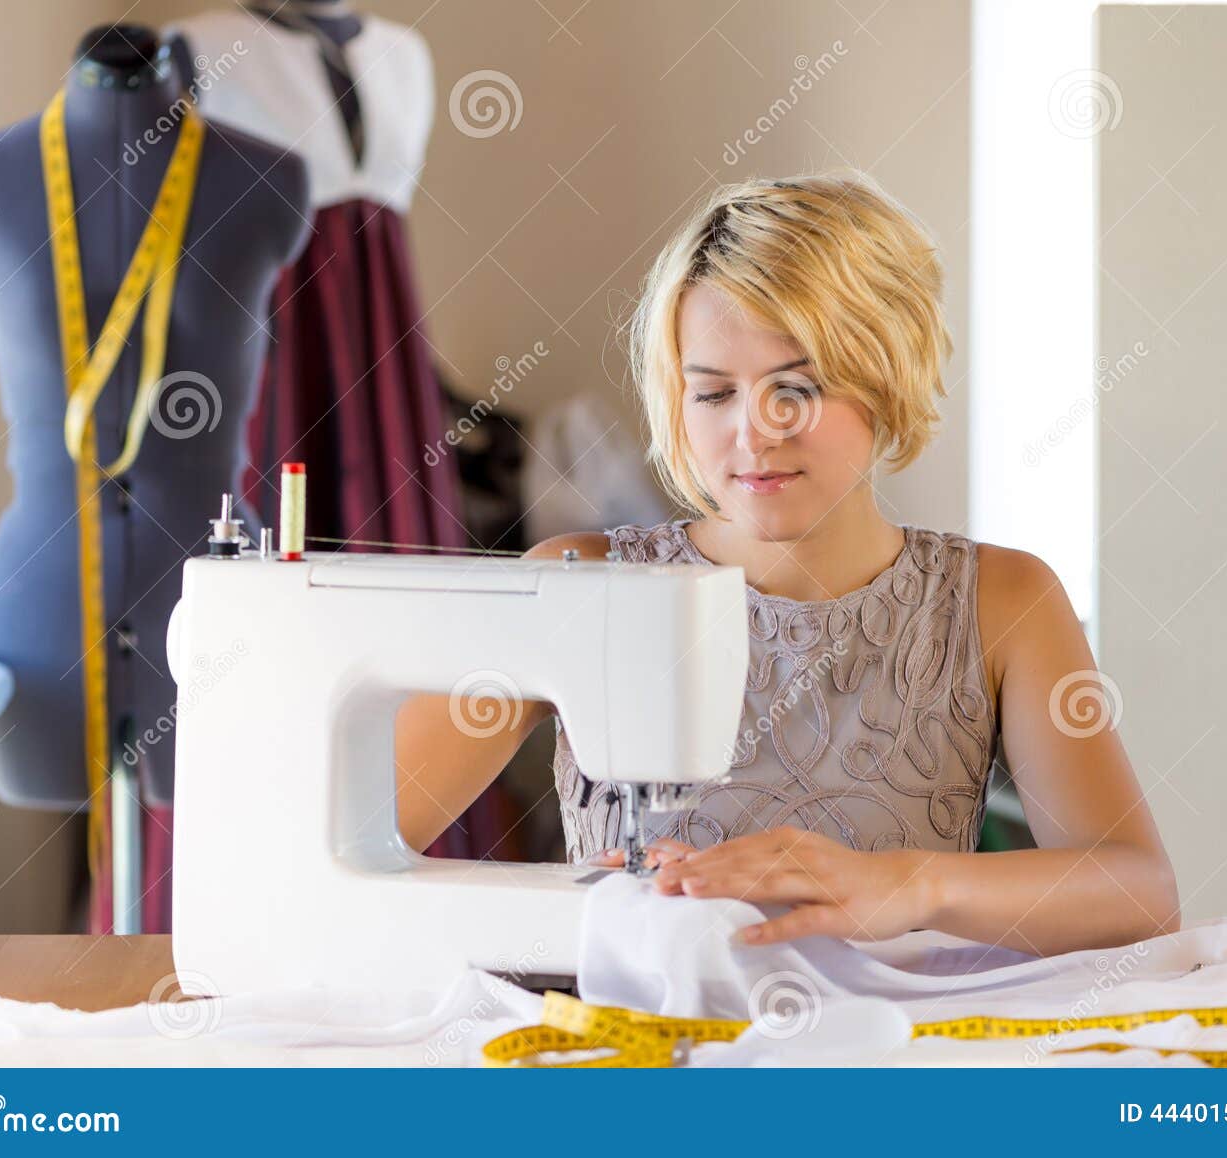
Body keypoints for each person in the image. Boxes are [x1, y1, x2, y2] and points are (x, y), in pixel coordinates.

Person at [395, 169, 1179, 957]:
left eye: (796, 387)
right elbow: (349, 842)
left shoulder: (1001, 601)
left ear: (888, 374)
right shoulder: (577, 584)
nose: (754, 433)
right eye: (712, 395)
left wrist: (910, 885)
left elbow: (1137, 894)